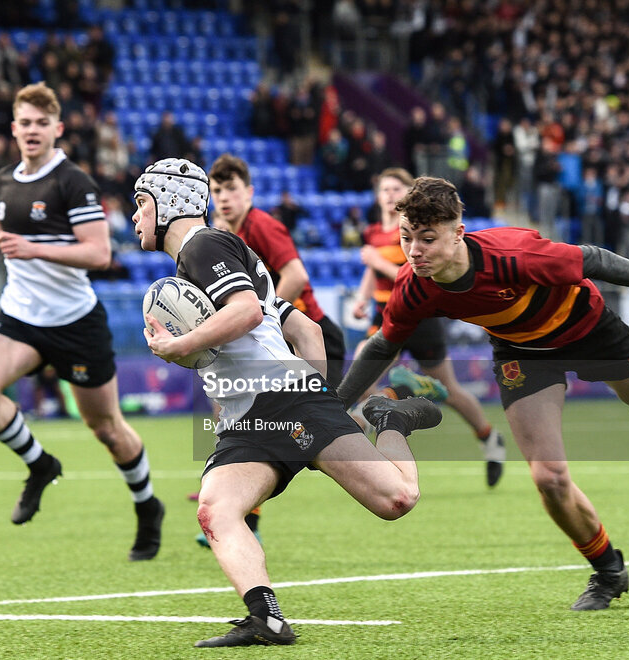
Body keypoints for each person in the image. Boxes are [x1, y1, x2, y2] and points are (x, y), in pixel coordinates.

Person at [337, 176, 629, 611]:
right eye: (407, 237)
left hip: (585, 327)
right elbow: (383, 346)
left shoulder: (512, 255)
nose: (414, 251)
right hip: (521, 353)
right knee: (549, 478)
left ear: (458, 233)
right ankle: (608, 571)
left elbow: (593, 258)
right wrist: (333, 407)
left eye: (428, 239)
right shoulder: (415, 285)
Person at [133, 158, 442, 647]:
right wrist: (320, 396)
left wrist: (179, 345)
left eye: (141, 204)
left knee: (397, 500)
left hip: (283, 401)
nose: (135, 217)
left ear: (169, 202)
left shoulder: (203, 246)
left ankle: (391, 419)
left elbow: (246, 312)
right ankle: (267, 619)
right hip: (249, 418)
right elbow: (306, 329)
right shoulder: (213, 259)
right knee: (216, 509)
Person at [0, 82, 164, 561]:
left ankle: (147, 505)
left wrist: (34, 247)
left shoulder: (72, 182)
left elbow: (99, 253)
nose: (33, 130)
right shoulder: (7, 178)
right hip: (20, 316)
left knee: (106, 428)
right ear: (13, 129)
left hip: (74, 322)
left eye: (42, 123)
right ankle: (40, 465)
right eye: (25, 123)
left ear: (58, 129)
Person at [352, 168, 506, 487]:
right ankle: (382, 421)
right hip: (384, 316)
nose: (390, 195)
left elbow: (412, 277)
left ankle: (489, 438)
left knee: (449, 390)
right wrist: (362, 297)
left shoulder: (415, 231)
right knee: (363, 372)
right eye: (384, 189)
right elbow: (372, 270)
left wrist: (378, 263)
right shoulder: (373, 232)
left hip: (418, 316)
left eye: (396, 189)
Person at [209, 153, 347, 387]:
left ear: (249, 192)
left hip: (310, 335)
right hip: (287, 337)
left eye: (231, 188)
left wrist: (266, 323)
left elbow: (296, 276)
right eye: (217, 190)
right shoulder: (235, 236)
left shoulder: (261, 225)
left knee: (322, 409)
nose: (223, 197)